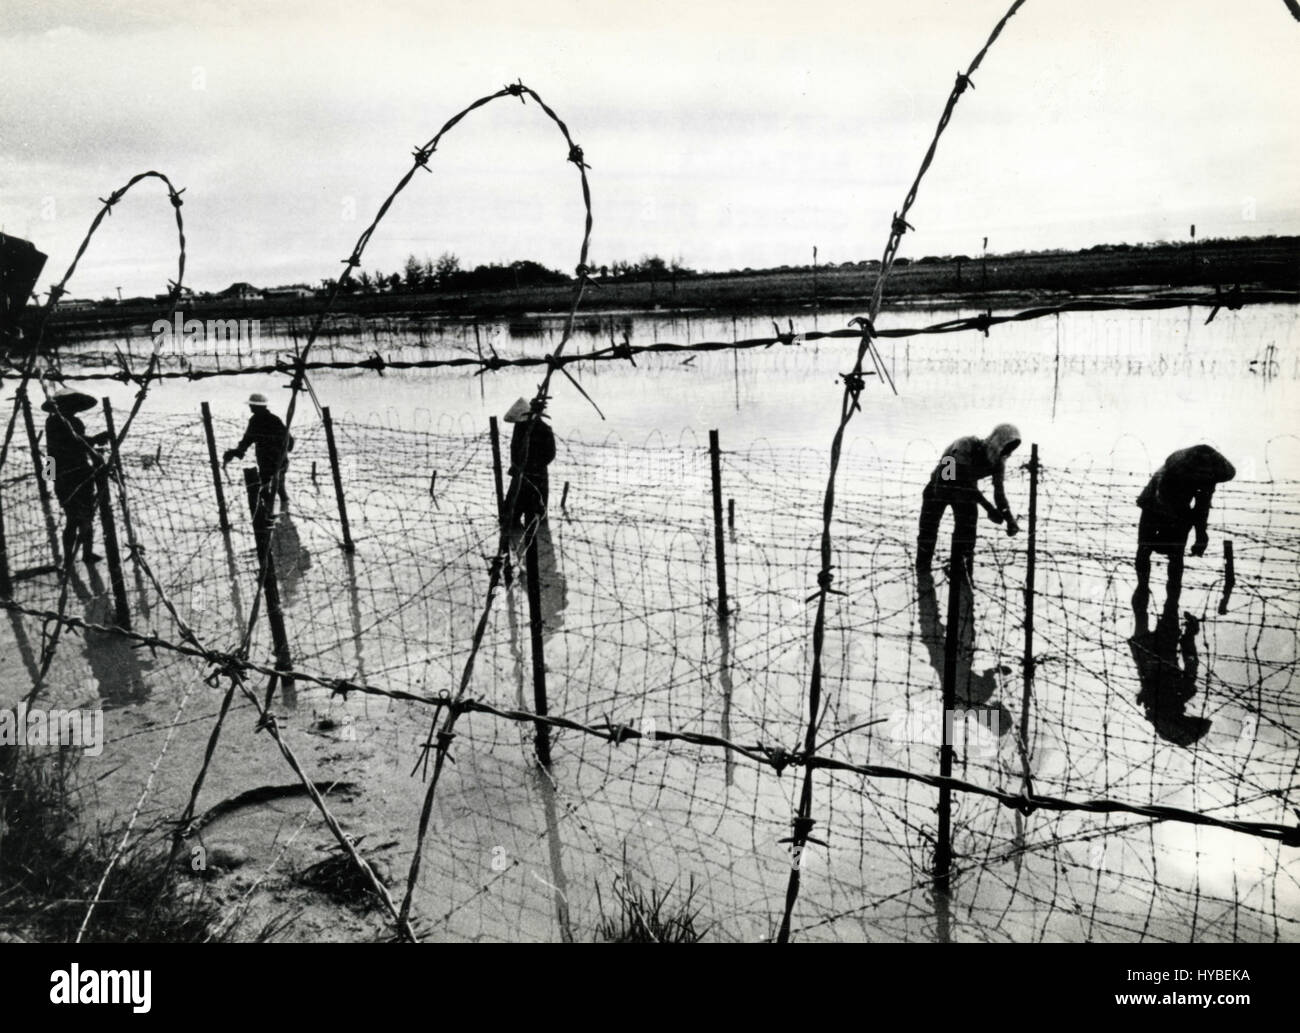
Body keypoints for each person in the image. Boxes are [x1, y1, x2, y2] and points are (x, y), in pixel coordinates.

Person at [1133, 444, 1235, 620]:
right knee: (1145, 548)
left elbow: (1202, 507)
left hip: (1180, 509)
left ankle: (1172, 599)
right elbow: (1161, 499)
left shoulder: (1208, 478)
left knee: (1176, 555)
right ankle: (1143, 588)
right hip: (1152, 504)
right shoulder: (1169, 474)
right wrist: (1182, 523)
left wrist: (1201, 535)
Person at [916, 423, 1021, 576]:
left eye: (1010, 450)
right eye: (1005, 447)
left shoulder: (998, 462)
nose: (1007, 453)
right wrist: (989, 509)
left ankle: (960, 569)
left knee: (967, 530)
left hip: (965, 490)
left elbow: (999, 492)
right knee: (928, 531)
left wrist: (1009, 518)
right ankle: (923, 574)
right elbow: (960, 479)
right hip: (941, 485)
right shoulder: (966, 445)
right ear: (997, 441)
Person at [43, 387, 110, 566]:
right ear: (60, 406)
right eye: (70, 404)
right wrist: (94, 439)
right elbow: (72, 443)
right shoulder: (55, 423)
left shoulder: (73, 422)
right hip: (67, 477)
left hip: (81, 473)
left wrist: (94, 446)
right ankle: (68, 559)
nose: (74, 407)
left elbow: (78, 443)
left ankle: (87, 554)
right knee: (73, 519)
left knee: (87, 516)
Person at [223, 392, 293, 514]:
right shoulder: (275, 419)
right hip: (280, 460)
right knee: (280, 487)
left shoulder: (255, 420)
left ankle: (267, 517)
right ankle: (285, 514)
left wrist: (237, 452)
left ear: (257, 407)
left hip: (267, 461)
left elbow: (247, 439)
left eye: (252, 405)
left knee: (264, 489)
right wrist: (283, 453)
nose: (250, 407)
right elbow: (289, 440)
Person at [502, 397, 555, 531]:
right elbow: (514, 448)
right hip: (523, 473)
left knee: (537, 518)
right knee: (510, 516)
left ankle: (526, 545)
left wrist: (533, 466)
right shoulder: (520, 428)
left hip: (536, 474)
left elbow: (550, 454)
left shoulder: (543, 428)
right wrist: (516, 465)